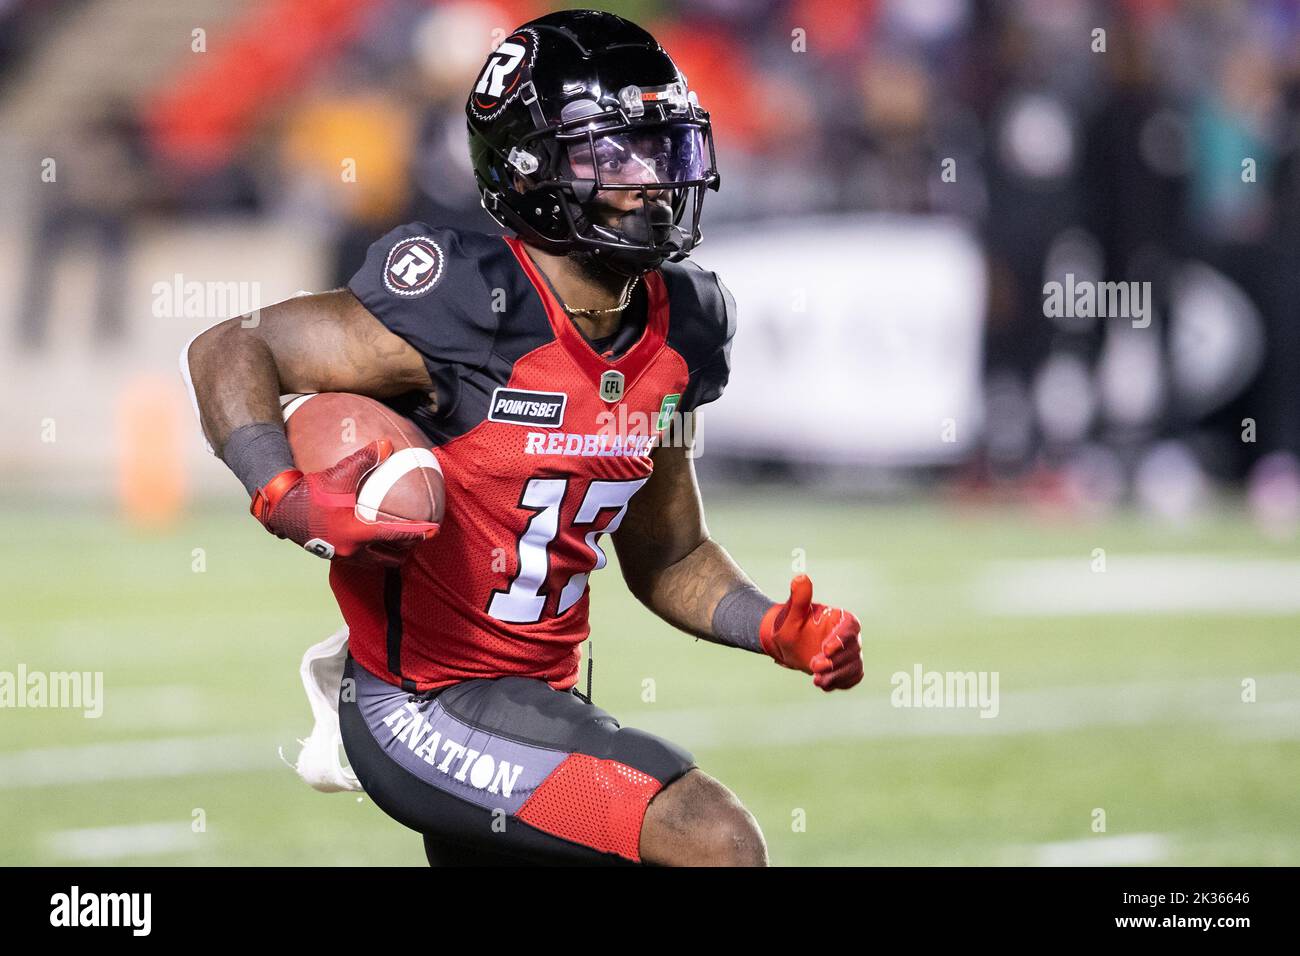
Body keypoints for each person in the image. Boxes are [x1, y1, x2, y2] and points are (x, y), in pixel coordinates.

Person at [186, 9, 862, 866]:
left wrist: (769, 627)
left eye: (661, 148)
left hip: (539, 699)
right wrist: (280, 491)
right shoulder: (467, 303)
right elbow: (230, 347)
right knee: (715, 839)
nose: (652, 179)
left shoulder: (685, 323)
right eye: (615, 154)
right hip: (421, 702)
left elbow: (669, 554)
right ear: (530, 166)